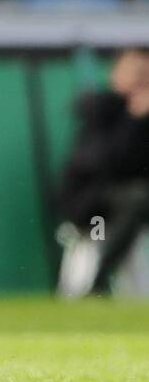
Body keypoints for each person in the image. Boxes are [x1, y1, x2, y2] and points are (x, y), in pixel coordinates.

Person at [55, 48, 149, 296]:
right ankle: (98, 278)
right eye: (135, 72)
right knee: (138, 198)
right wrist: (134, 120)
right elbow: (108, 163)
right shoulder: (100, 109)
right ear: (116, 75)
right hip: (92, 202)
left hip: (131, 205)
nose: (142, 79)